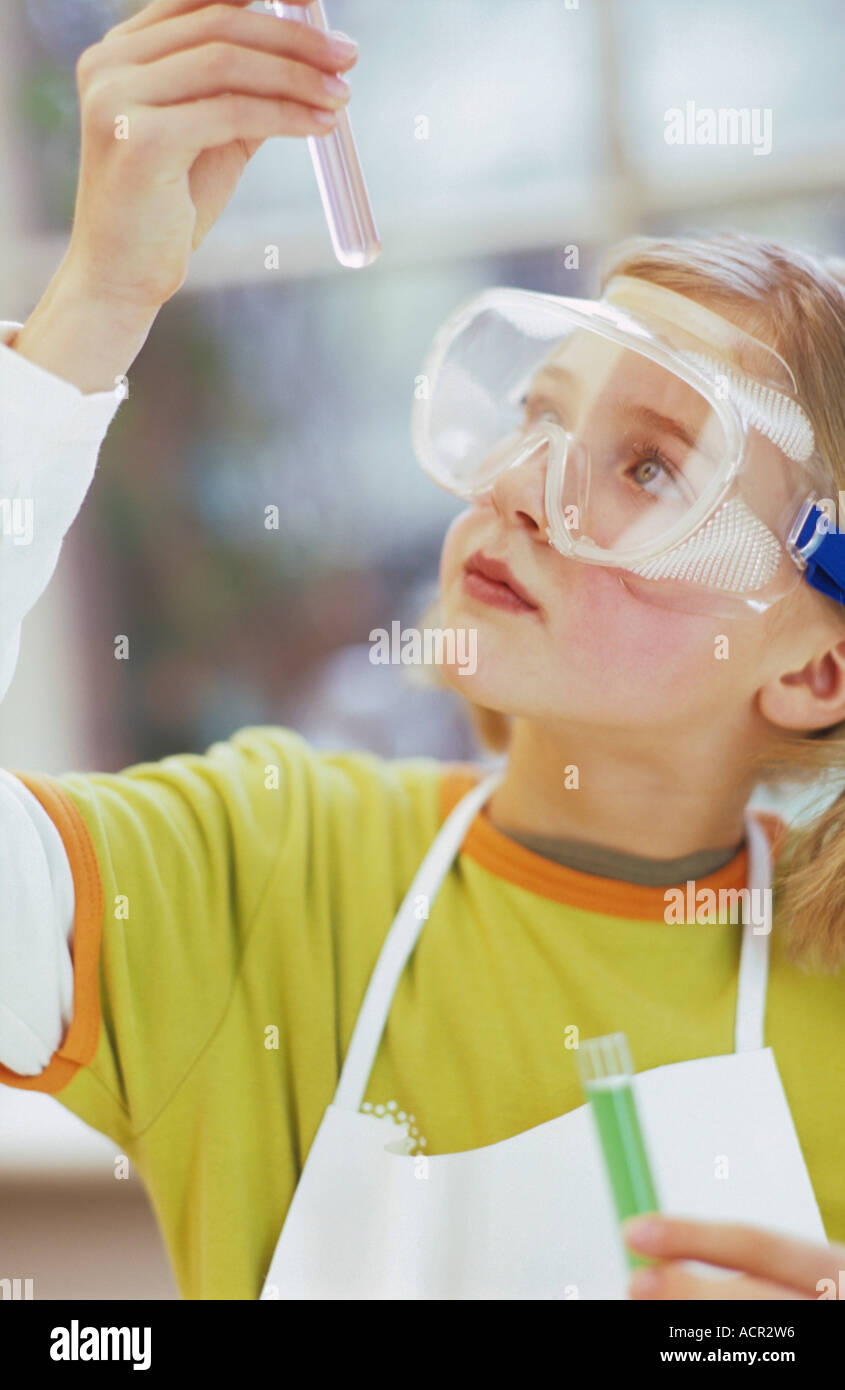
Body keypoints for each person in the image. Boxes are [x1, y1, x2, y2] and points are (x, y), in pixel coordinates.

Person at [1, 0, 844, 1301]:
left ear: (811, 670)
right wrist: (90, 312)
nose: (514, 482)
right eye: (533, 413)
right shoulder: (262, 868)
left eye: (647, 465)